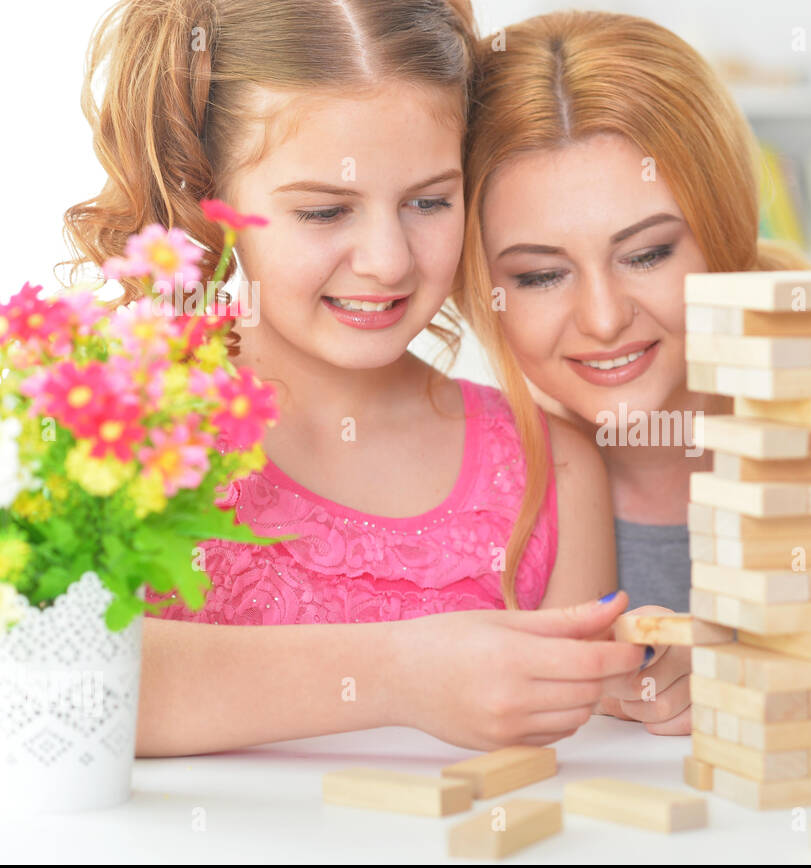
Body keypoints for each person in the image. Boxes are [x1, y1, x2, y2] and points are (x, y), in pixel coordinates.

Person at [63, 0, 645, 756]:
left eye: (429, 201)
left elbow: (584, 755)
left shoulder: (550, 470)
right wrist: (398, 674)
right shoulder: (131, 415)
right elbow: (64, 683)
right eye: (325, 210)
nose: (389, 259)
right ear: (209, 198)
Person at [455, 11, 811, 725]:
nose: (603, 318)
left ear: (725, 229)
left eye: (648, 254)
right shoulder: (476, 507)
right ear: (481, 287)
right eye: (541, 275)